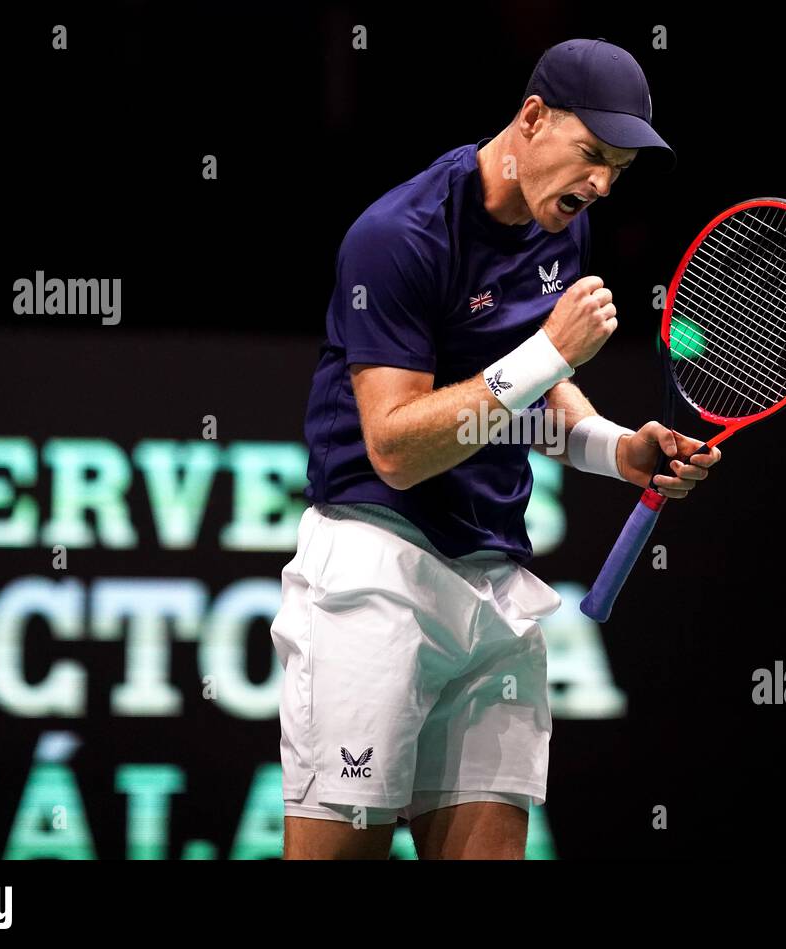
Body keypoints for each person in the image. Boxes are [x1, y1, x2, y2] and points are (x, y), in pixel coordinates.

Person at [271, 38, 720, 859]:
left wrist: (617, 448)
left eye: (617, 169)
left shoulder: (561, 231)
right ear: (532, 117)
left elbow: (530, 405)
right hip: (378, 575)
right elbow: (396, 448)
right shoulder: (398, 236)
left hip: (493, 586)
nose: (600, 186)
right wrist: (547, 353)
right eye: (591, 155)